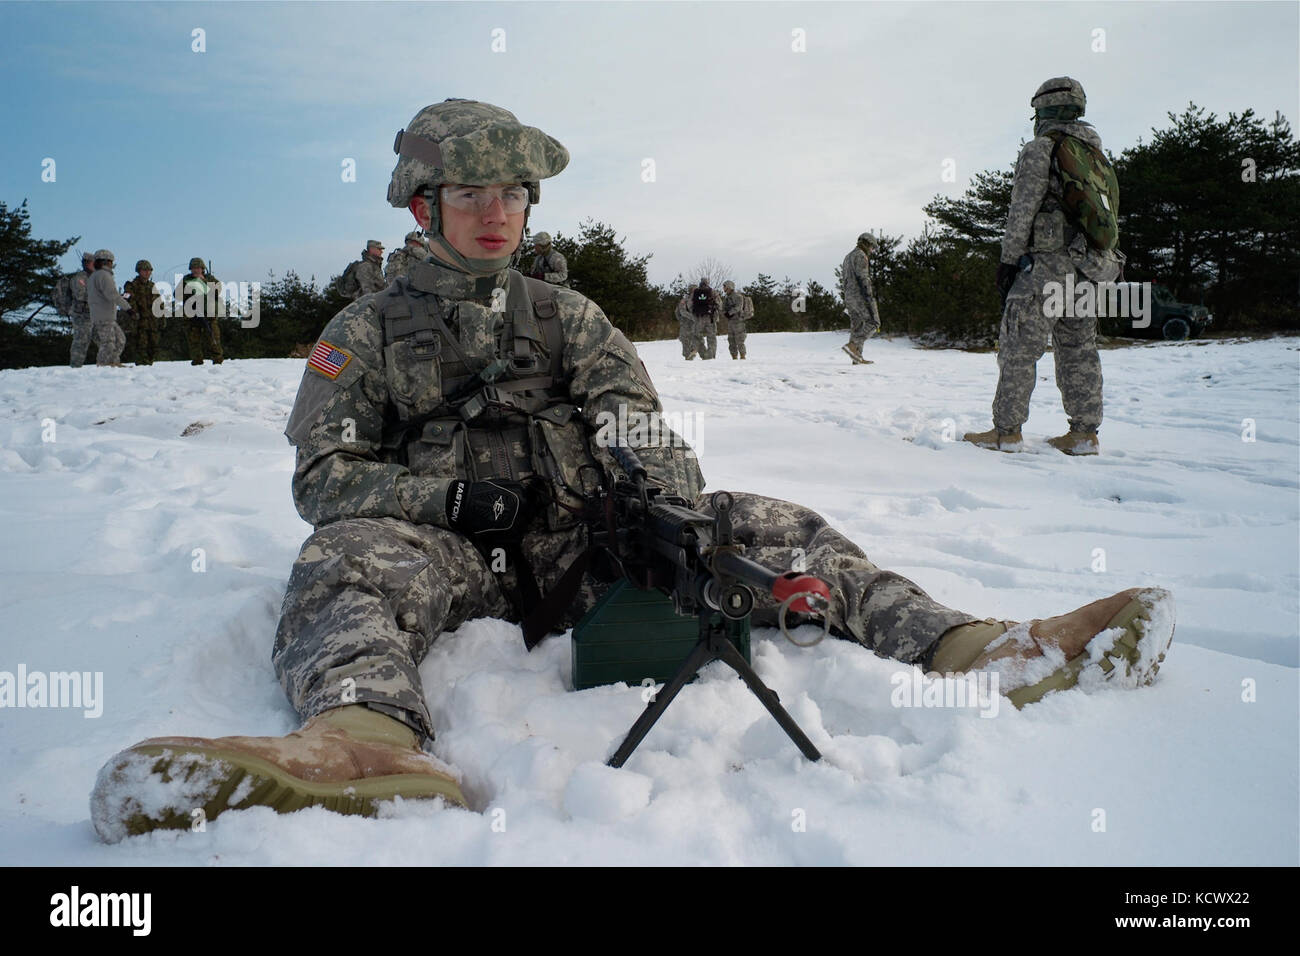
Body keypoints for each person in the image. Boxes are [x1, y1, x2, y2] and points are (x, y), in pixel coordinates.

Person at [90, 99, 1174, 842]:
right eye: (469, 189)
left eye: (511, 190)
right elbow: (323, 478)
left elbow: (642, 419)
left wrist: (652, 499)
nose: (496, 208)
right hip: (453, 559)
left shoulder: (570, 314)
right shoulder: (361, 329)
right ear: (421, 204)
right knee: (343, 556)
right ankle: (367, 741)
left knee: (771, 518)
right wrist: (445, 499)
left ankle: (979, 647)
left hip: (589, 544)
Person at [964, 77, 1122, 455]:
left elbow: (1022, 210)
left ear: (1042, 110)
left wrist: (1007, 261)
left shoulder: (1041, 149)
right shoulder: (1095, 156)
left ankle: (1007, 433)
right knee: (1080, 349)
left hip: (1046, 266)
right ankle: (1084, 434)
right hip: (1087, 269)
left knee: (1020, 347)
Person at [86, 249, 129, 367]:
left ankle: (113, 363)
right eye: (111, 262)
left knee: (120, 340)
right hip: (104, 316)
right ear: (106, 262)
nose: (112, 265)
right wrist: (128, 308)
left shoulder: (94, 276)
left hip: (103, 315)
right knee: (108, 343)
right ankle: (104, 365)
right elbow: (112, 294)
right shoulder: (104, 276)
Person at [841, 233, 880, 364]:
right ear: (866, 243)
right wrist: (869, 296)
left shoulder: (848, 257)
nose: (872, 250)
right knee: (874, 323)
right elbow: (863, 278)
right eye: (872, 247)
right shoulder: (861, 256)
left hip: (848, 296)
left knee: (857, 326)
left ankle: (856, 358)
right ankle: (853, 345)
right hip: (860, 296)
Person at [180, 257, 223, 365]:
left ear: (202, 268)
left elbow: (217, 292)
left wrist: (203, 281)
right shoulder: (186, 279)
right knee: (194, 341)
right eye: (193, 268)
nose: (196, 270)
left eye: (198, 268)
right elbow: (177, 295)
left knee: (213, 339)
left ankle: (218, 362)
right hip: (192, 315)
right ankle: (197, 362)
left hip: (209, 315)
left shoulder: (210, 278)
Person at [122, 260, 164, 366]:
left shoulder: (152, 286)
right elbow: (128, 299)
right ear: (139, 271)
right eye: (144, 270)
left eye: (149, 270)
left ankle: (148, 365)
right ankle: (142, 367)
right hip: (139, 322)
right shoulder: (131, 284)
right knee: (141, 346)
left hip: (152, 322)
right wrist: (134, 313)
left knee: (153, 346)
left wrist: (162, 318)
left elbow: (159, 303)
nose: (147, 273)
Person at [60, 252, 95, 368]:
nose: (91, 265)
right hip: (82, 314)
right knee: (81, 340)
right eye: (88, 262)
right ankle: (76, 366)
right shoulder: (79, 278)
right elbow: (80, 295)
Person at [721, 279, 752, 359]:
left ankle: (742, 356)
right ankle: (734, 356)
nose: (723, 289)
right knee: (731, 340)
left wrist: (729, 313)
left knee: (739, 340)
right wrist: (725, 313)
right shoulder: (726, 297)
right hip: (730, 321)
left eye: (725, 287)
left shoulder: (738, 296)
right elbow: (723, 308)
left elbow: (739, 307)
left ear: (729, 287)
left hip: (738, 321)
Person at [690, 278, 719, 359]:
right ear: (707, 283)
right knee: (711, 337)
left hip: (699, 318)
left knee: (697, 335)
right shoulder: (713, 292)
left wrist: (695, 314)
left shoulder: (695, 292)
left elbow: (690, 305)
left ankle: (694, 350)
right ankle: (711, 355)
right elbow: (719, 304)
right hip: (710, 318)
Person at [675, 285, 699, 359]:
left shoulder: (686, 299)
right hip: (691, 322)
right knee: (687, 338)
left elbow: (679, 312)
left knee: (686, 338)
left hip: (688, 322)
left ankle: (690, 354)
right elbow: (680, 311)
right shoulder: (694, 299)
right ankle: (690, 354)